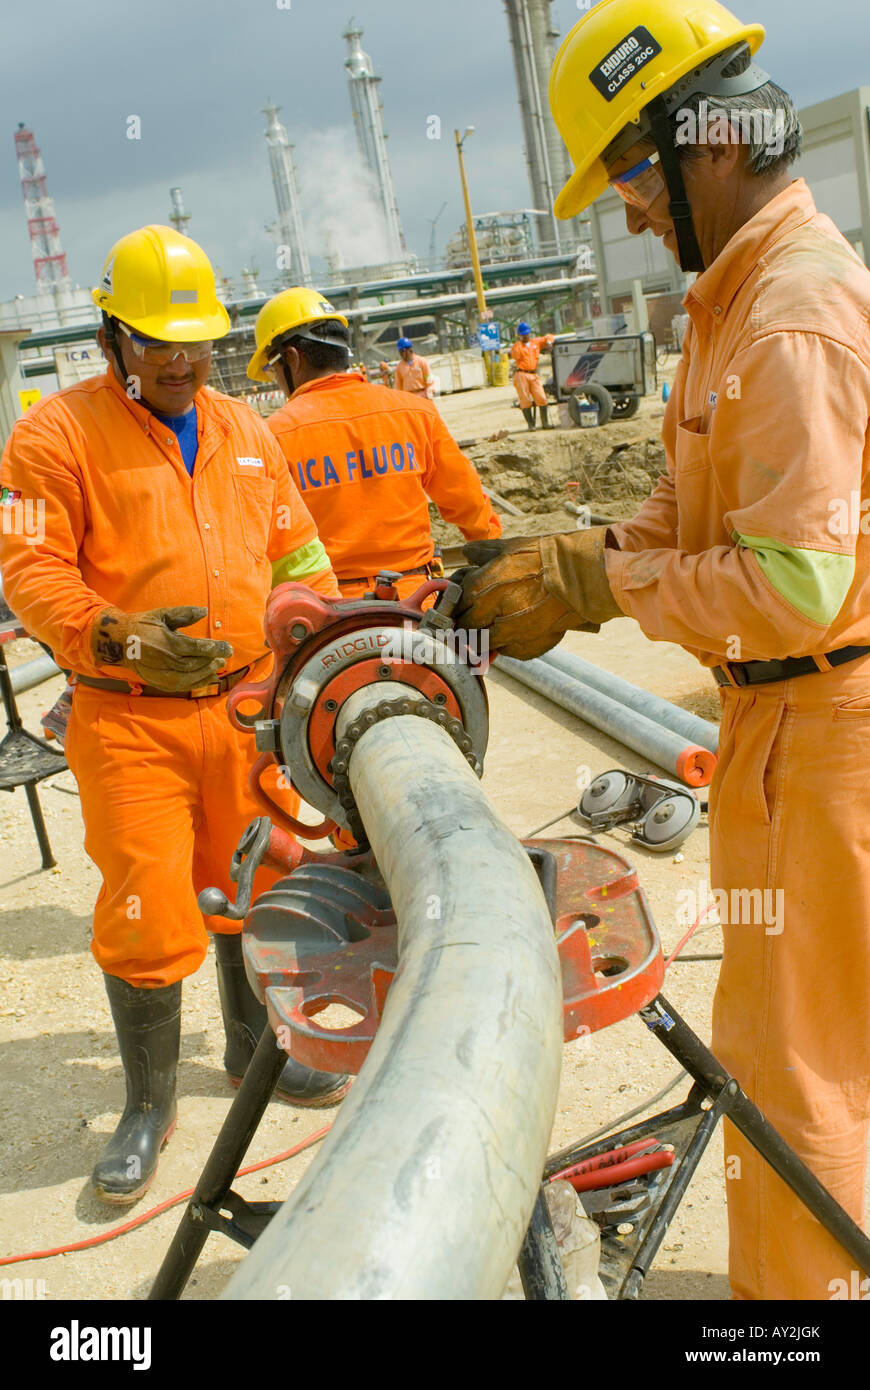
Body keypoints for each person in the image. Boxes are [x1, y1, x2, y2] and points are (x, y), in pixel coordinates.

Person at [457, 0, 870, 1301]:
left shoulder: (790, 318)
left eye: (629, 176)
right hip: (772, 733)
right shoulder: (724, 302)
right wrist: (579, 566)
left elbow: (795, 586)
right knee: (790, 1037)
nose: (625, 211)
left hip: (823, 732)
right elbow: (679, 511)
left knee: (793, 1072)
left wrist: (596, 578)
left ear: (704, 144)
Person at [0, 226, 350, 1206]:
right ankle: (149, 1105)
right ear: (112, 336)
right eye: (159, 343)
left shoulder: (245, 429)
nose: (182, 361)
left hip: (240, 712)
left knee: (250, 876)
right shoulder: (52, 437)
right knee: (151, 902)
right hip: (130, 721)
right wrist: (114, 638)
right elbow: (28, 568)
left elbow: (297, 555)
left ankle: (249, 1044)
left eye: (195, 341)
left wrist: (322, 650)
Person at [246, 288, 501, 603]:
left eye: (272, 371)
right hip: (416, 601)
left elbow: (260, 541)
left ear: (293, 359)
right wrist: (493, 558)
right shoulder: (415, 413)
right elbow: (468, 502)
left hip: (328, 612)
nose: (277, 382)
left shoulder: (271, 436)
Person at [509, 322, 555, 430]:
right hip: (521, 374)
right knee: (525, 400)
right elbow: (516, 355)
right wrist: (520, 343)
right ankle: (531, 425)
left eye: (527, 334)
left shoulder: (535, 343)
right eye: (523, 335)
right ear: (519, 335)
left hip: (533, 374)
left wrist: (548, 342)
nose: (526, 336)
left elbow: (550, 336)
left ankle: (545, 423)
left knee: (542, 398)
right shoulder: (517, 346)